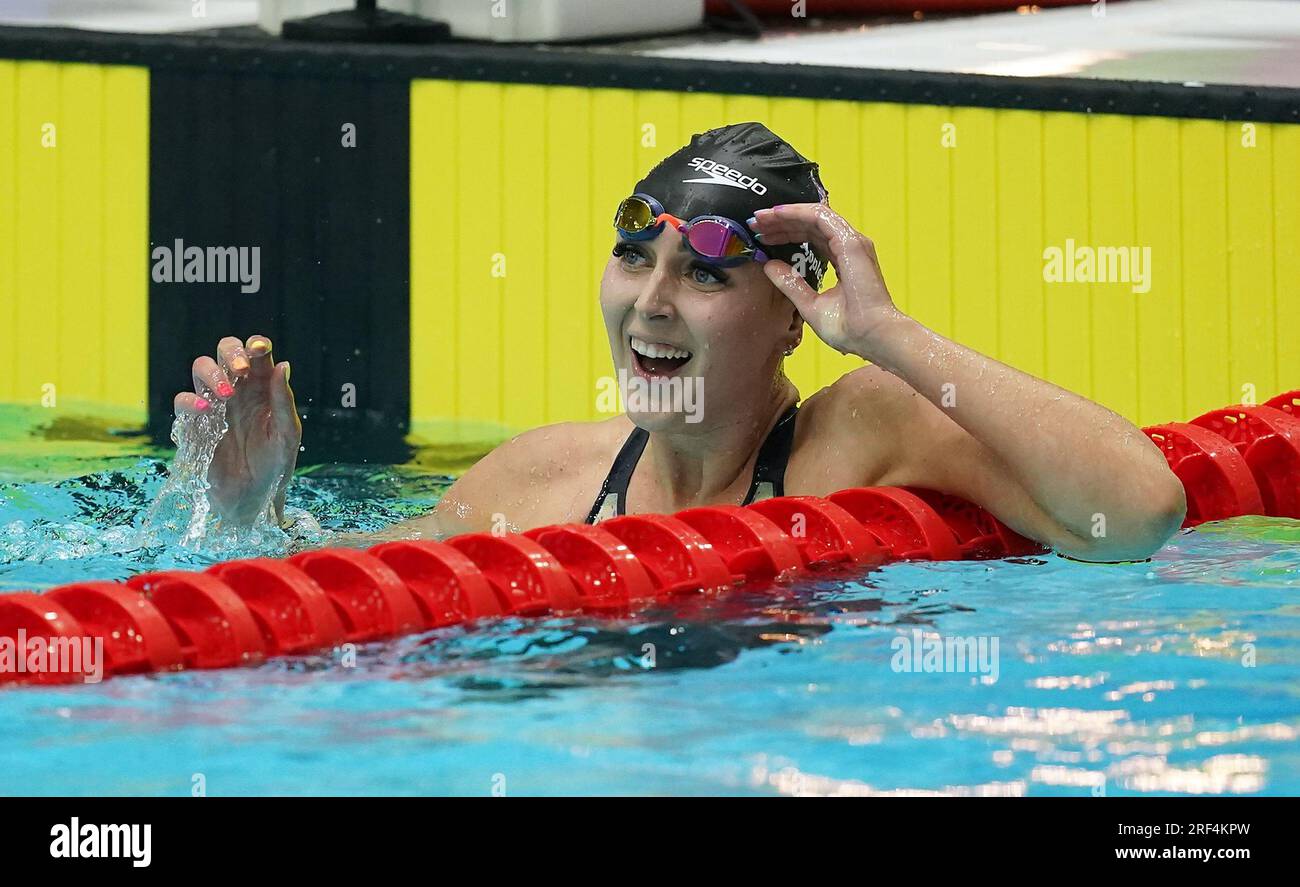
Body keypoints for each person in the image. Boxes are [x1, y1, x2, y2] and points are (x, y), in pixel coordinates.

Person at [173, 122, 1185, 561]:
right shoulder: (541, 481)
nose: (649, 303)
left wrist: (886, 334)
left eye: (704, 274)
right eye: (632, 259)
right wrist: (244, 509)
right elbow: (337, 596)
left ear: (793, 313)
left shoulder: (866, 431)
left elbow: (1136, 514)